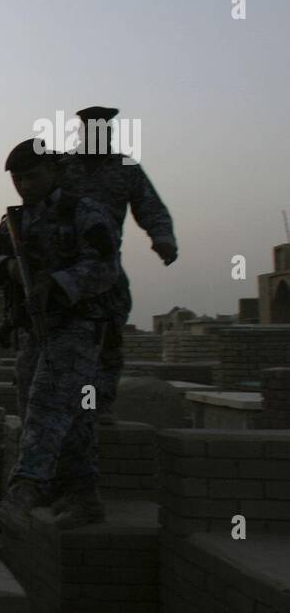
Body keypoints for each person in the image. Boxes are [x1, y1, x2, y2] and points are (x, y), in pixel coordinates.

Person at [0, 139, 121, 529]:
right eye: (17, 179)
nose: (24, 185)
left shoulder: (84, 212)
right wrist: (6, 268)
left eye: (32, 176)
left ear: (54, 172)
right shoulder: (16, 222)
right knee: (62, 413)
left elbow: (106, 267)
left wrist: (58, 284)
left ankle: (23, 492)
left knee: (47, 403)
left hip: (77, 325)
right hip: (35, 331)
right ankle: (81, 494)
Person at [59, 106, 177, 426]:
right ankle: (60, 407)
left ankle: (97, 409)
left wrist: (163, 238)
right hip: (63, 271)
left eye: (104, 130)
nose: (99, 136)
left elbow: (150, 207)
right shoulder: (61, 167)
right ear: (82, 133)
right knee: (61, 341)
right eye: (91, 130)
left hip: (106, 268)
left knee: (108, 340)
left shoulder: (126, 167)